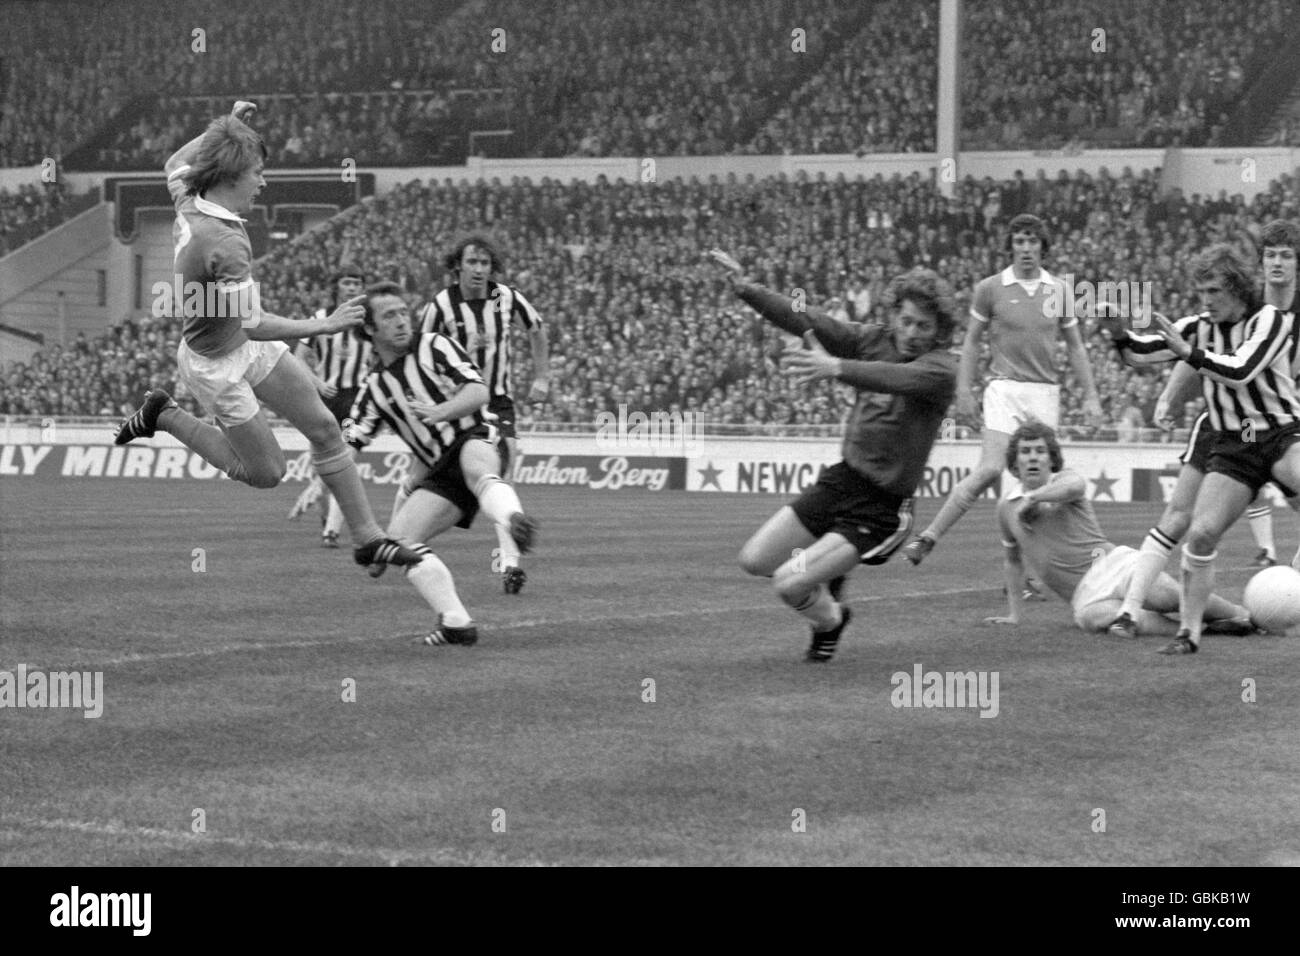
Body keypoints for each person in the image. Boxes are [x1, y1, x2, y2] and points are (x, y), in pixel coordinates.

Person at [113, 101, 418, 574]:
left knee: (324, 430)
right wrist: (326, 324)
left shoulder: (190, 198)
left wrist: (231, 130)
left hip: (239, 341)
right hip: (215, 365)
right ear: (231, 175)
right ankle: (165, 415)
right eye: (256, 171)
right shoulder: (225, 242)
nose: (263, 181)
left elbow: (174, 163)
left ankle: (368, 539)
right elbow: (255, 323)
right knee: (267, 473)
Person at [709, 249, 957, 662]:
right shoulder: (870, 339)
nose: (913, 332)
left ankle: (831, 620)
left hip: (880, 507)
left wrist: (836, 367)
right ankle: (829, 577)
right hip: (842, 480)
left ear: (938, 331)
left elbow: (897, 378)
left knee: (789, 584)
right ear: (893, 314)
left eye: (924, 326)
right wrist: (747, 289)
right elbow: (809, 319)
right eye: (907, 320)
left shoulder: (941, 369)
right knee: (754, 560)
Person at [1099, 243, 1280, 639]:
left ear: (1237, 287)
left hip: (1273, 432)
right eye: (1201, 292)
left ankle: (1279, 585)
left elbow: (1241, 371)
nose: (1206, 301)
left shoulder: (1267, 322)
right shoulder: (1198, 326)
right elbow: (1142, 352)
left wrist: (1190, 355)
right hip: (1220, 432)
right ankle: (1131, 612)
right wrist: (1118, 331)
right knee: (1179, 519)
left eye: (1214, 291)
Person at [903, 214, 1104, 566]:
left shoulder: (1060, 290)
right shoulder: (990, 289)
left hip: (1044, 392)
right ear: (1010, 246)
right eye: (1019, 241)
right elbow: (970, 342)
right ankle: (928, 537)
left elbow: (1075, 347)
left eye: (1032, 241)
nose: (1026, 248)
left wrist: (1090, 396)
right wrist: (963, 391)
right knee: (991, 469)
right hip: (1004, 388)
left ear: (1043, 246)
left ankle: (1041, 568)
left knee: (1043, 486)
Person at [344, 282, 539, 645]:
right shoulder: (373, 388)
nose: (403, 321)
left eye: (404, 312)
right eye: (390, 316)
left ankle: (513, 519)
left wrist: (441, 412)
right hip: (441, 473)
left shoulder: (435, 345)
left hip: (478, 434)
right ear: (369, 329)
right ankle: (456, 623)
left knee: (475, 465)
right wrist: (317, 480)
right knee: (399, 541)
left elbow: (479, 391)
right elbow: (350, 441)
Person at [1142, 220, 1300, 653]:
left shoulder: (1272, 319)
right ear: (1260, 264)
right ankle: (1187, 635)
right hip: (1235, 436)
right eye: (1271, 255)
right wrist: (1168, 393)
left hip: (1282, 429)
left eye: (1286, 255)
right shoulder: (1232, 316)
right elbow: (1183, 355)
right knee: (1200, 533)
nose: (1278, 263)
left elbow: (1236, 366)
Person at [985, 421, 1250, 635]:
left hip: (1114, 566)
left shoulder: (1063, 480)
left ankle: (1238, 614)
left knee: (1164, 597)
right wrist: (1014, 615)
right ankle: (1204, 629)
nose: (1033, 457)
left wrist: (1036, 497)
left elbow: (1076, 486)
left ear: (1051, 458)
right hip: (1082, 597)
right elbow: (1013, 562)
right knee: (1094, 620)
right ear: (1014, 462)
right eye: (1026, 451)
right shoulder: (1005, 508)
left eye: (1040, 451)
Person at [404, 236, 549, 594]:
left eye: (486, 263)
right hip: (458, 405)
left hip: (498, 402)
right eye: (473, 262)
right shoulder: (440, 305)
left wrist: (542, 376)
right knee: (419, 475)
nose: (480, 270)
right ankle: (400, 537)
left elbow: (536, 328)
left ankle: (510, 566)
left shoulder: (506, 297)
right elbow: (421, 352)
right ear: (458, 266)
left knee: (502, 477)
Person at [287, 261, 374, 548]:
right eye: (347, 282)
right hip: (325, 400)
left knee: (345, 462)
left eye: (356, 283)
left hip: (355, 403)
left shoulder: (368, 320)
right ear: (337, 286)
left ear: (362, 288)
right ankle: (327, 521)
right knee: (322, 468)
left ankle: (332, 532)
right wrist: (317, 383)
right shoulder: (321, 318)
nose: (351, 287)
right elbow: (298, 358)